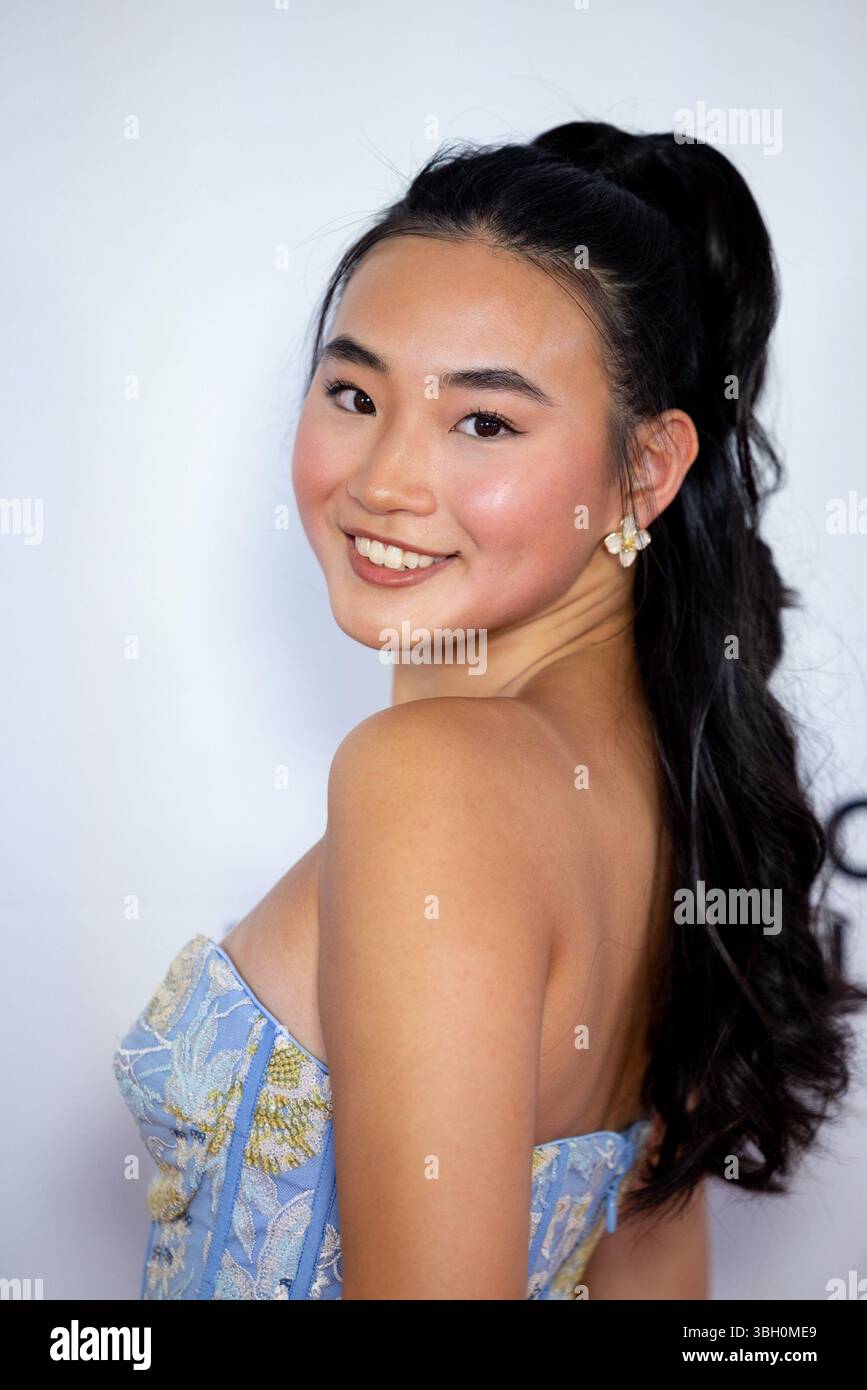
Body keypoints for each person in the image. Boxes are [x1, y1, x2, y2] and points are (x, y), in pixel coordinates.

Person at [113, 120, 865, 1300]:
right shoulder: (664, 782)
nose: (385, 481)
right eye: (355, 392)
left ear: (647, 471)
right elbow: (657, 1281)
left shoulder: (434, 777)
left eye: (484, 422)